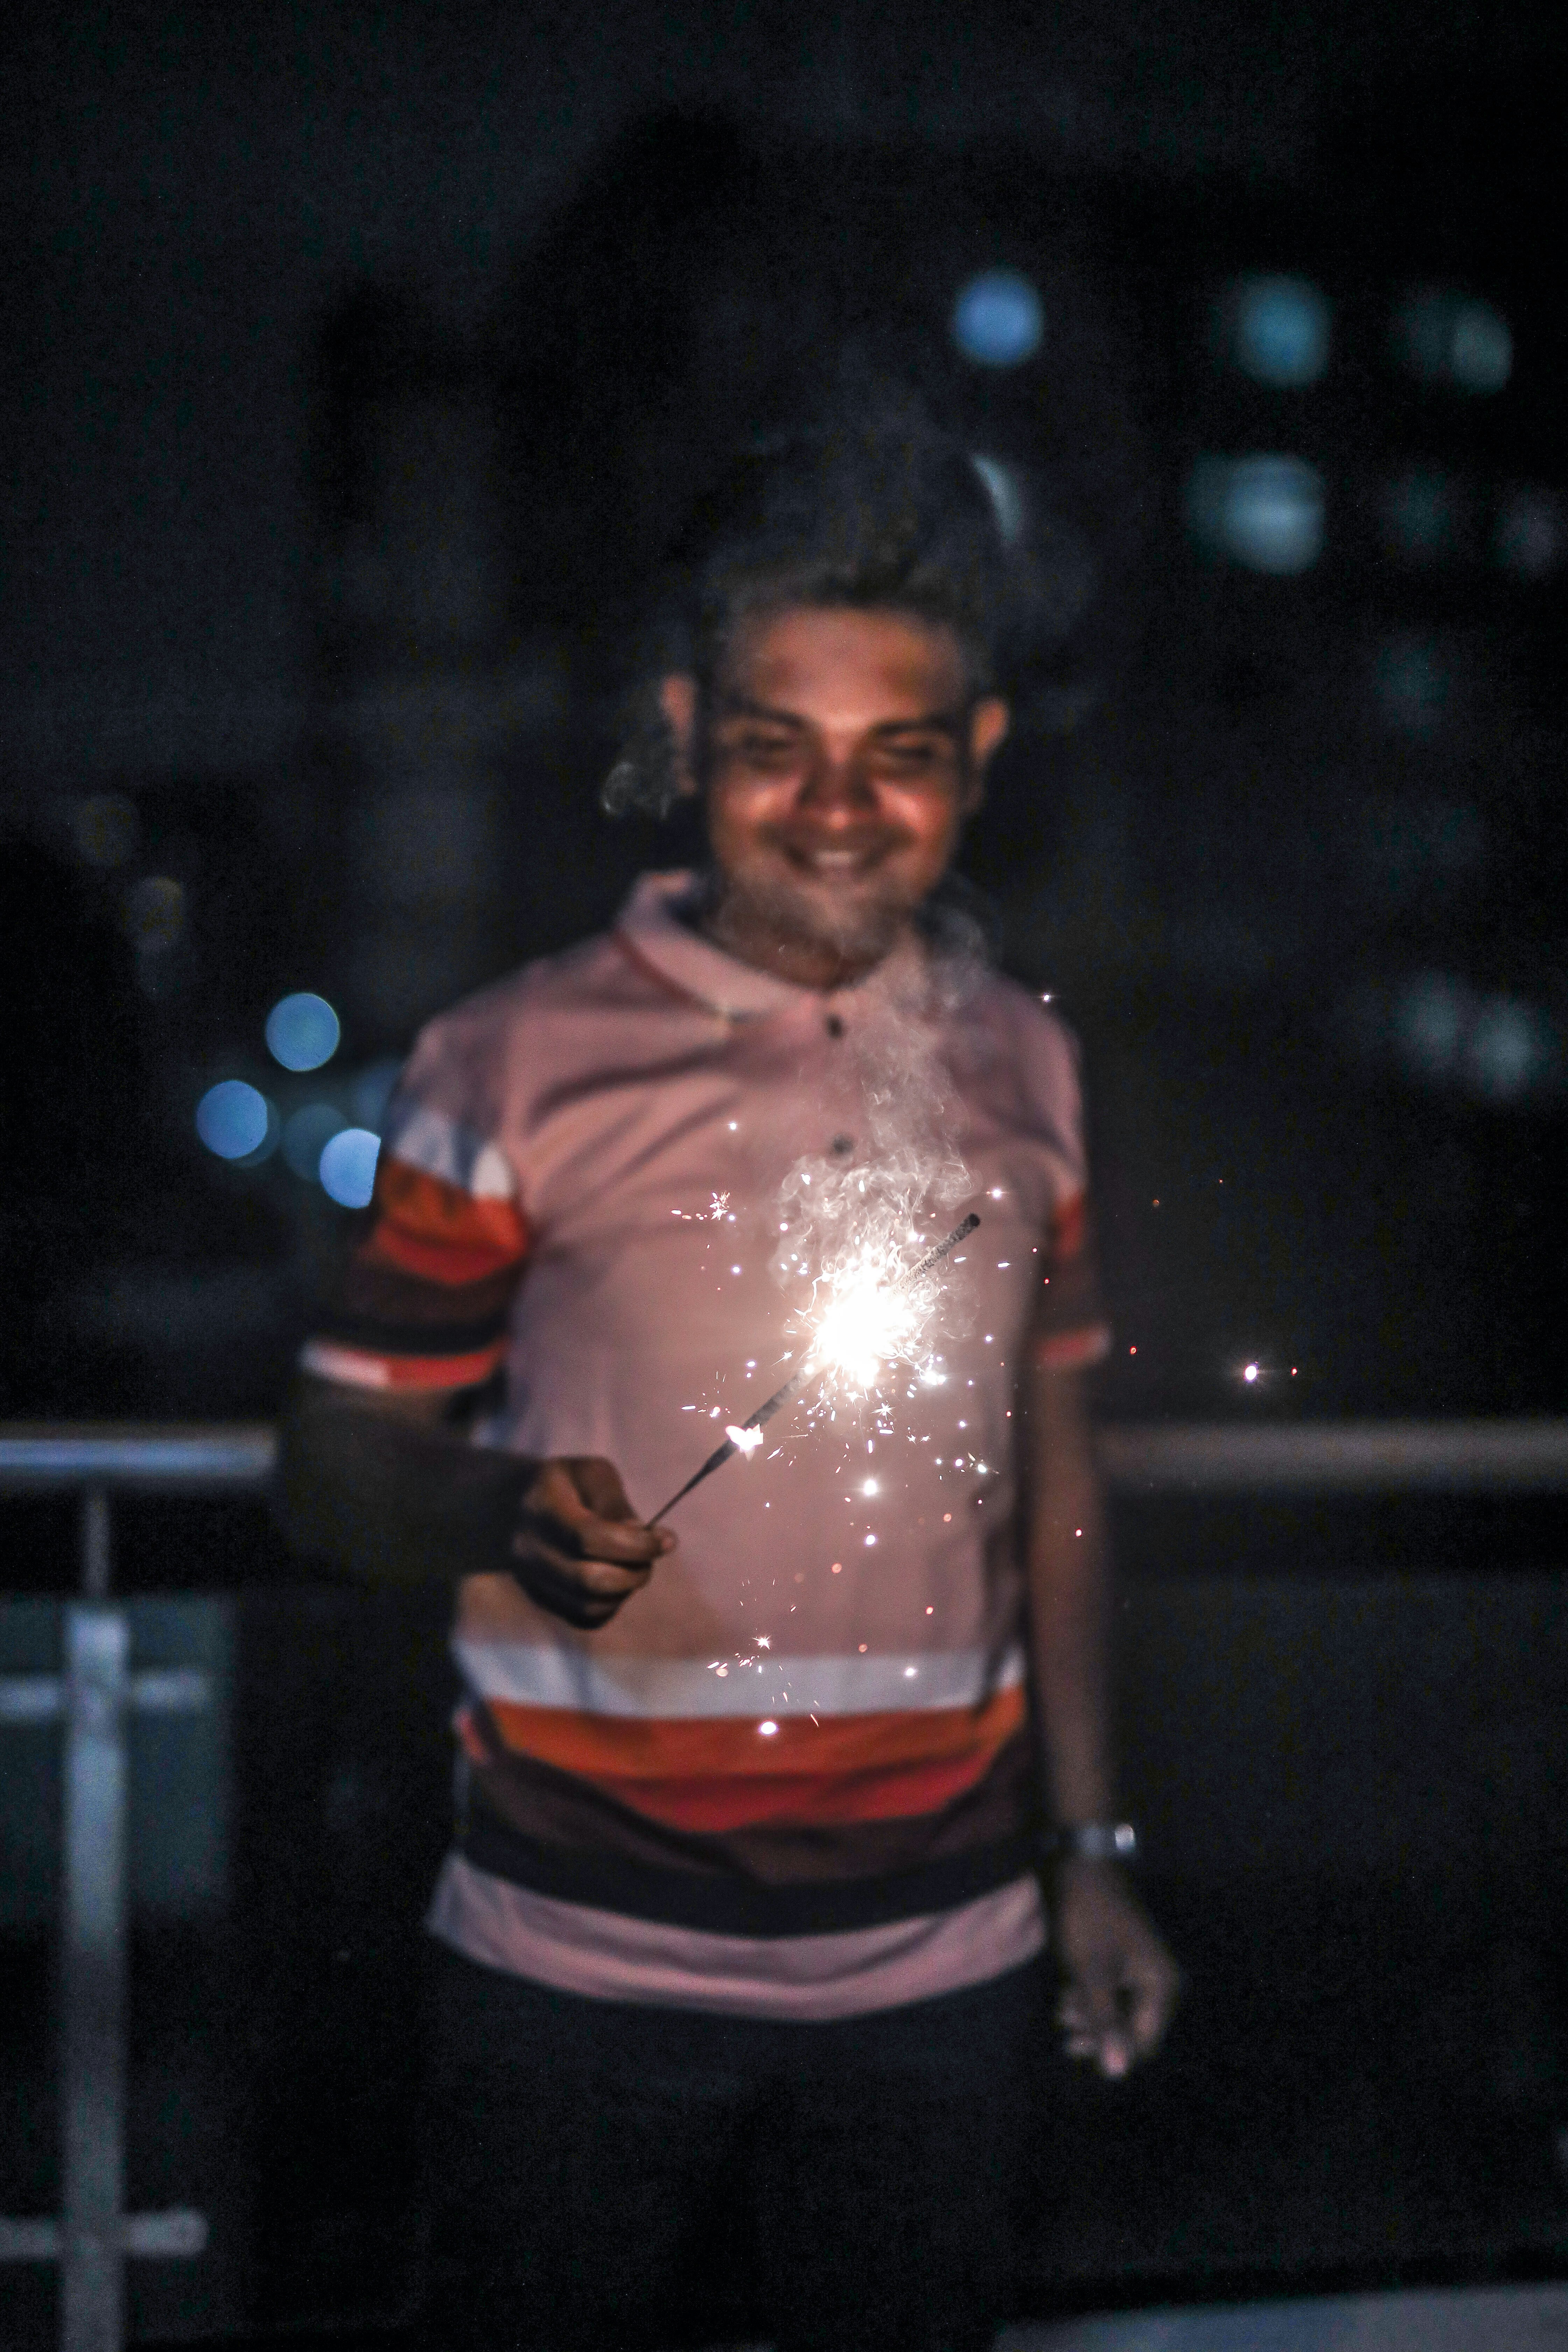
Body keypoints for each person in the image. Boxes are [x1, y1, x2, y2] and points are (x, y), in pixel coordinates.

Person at [275, 398, 1180, 2352]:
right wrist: (502, 1511)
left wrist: (1092, 1854)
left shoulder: (1026, 1066)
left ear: (979, 758)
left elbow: (1059, 1477)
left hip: (944, 1978)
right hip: (569, 1973)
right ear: (688, 734)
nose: (838, 810)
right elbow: (338, 1454)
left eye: (899, 756)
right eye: (778, 747)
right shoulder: (511, 1061)